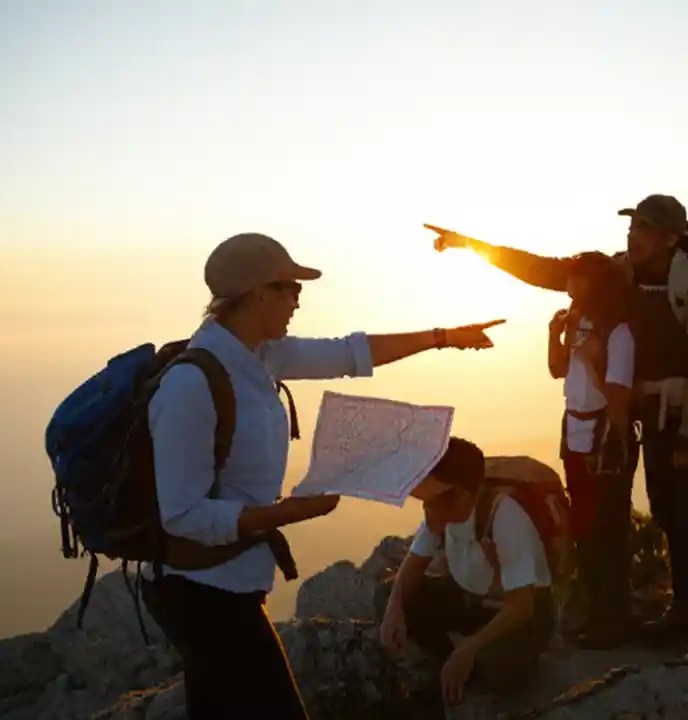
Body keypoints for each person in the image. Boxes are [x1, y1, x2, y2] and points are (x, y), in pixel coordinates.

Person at [140, 232, 504, 719]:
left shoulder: (259, 355)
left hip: (228, 583)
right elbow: (181, 516)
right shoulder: (190, 385)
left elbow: (350, 353)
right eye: (290, 288)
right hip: (200, 594)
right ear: (258, 294)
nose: (298, 299)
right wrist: (287, 513)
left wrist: (442, 337)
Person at [426, 194, 688, 663]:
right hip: (650, 411)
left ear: (671, 240)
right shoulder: (623, 272)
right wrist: (471, 245)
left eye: (645, 231)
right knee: (666, 511)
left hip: (686, 413)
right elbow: (547, 271)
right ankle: (687, 608)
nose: (633, 237)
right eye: (632, 227)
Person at [376, 438, 555, 705]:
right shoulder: (440, 514)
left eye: (431, 500)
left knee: (498, 669)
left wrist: (469, 649)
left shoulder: (506, 516)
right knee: (387, 594)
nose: (426, 508)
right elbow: (415, 562)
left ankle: (474, 659)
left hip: (519, 612)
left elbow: (522, 606)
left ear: (461, 496)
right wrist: (394, 607)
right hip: (471, 597)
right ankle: (452, 660)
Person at [548, 251, 635, 648]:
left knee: (607, 532)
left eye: (579, 279)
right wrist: (556, 337)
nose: (571, 285)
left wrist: (594, 361)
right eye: (570, 279)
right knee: (584, 529)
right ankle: (595, 612)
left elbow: (619, 399)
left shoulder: (617, 333)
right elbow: (557, 371)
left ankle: (612, 618)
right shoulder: (578, 323)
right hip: (576, 435)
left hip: (604, 441)